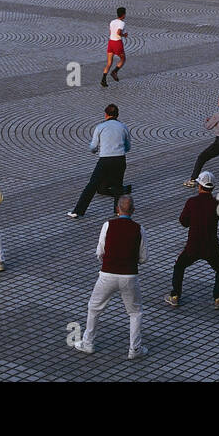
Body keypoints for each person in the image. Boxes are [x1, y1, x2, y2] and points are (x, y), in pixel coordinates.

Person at [76, 195, 146, 359]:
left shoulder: (108, 225)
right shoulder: (139, 229)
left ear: (117, 209)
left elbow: (100, 251)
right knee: (135, 312)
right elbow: (144, 258)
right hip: (129, 276)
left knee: (94, 308)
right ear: (133, 211)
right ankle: (134, 349)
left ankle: (88, 343)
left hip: (107, 274)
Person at [166, 171, 219, 308]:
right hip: (211, 246)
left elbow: (183, 222)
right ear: (213, 188)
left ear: (199, 186)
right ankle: (218, 298)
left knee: (179, 266)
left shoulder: (191, 202)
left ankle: (175, 295)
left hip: (193, 246)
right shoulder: (218, 204)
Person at [68, 104, 131, 219]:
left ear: (106, 114)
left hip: (105, 160)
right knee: (118, 185)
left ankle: (78, 211)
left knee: (92, 185)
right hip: (120, 159)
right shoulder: (123, 127)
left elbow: (93, 147)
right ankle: (118, 211)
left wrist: (96, 150)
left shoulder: (100, 127)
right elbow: (128, 146)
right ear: (117, 115)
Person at [100, 6, 127, 87]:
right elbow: (118, 32)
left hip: (110, 42)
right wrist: (124, 35)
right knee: (123, 59)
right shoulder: (122, 23)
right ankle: (114, 71)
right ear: (123, 15)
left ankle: (103, 80)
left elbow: (111, 31)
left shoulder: (112, 22)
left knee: (109, 63)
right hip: (117, 43)